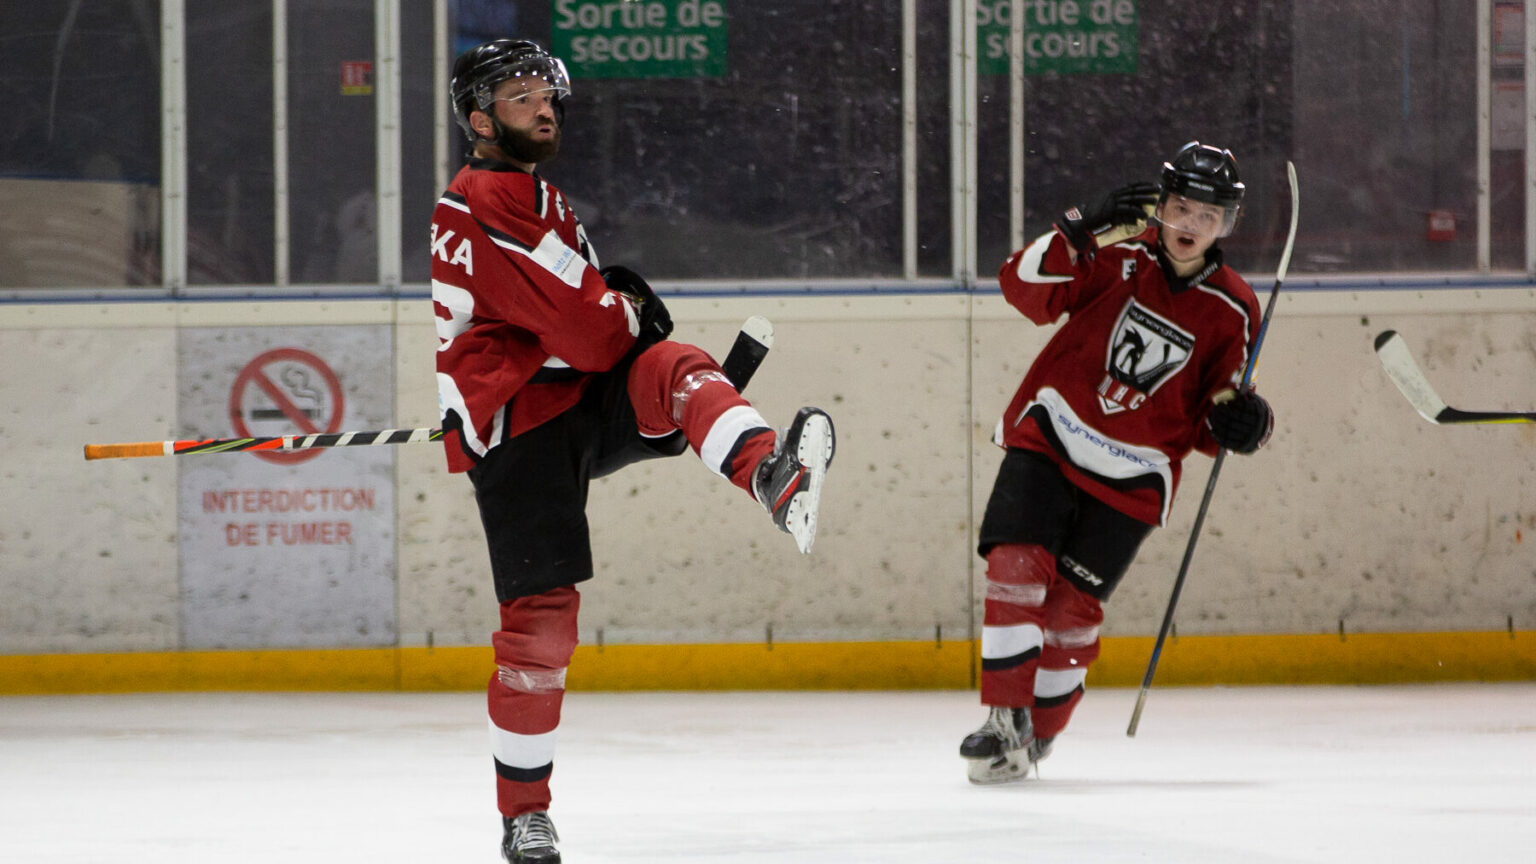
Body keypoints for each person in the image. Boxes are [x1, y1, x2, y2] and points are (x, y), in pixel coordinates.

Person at [431, 39, 836, 862]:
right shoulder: (481, 198)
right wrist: (619, 311)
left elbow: (586, 326)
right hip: (519, 425)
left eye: (549, 93)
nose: (545, 105)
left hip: (573, 397)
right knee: (542, 627)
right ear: (479, 119)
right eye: (520, 95)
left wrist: (621, 320)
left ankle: (771, 472)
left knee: (675, 369)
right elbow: (585, 328)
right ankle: (523, 815)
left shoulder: (537, 194)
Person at [959, 141, 1275, 784]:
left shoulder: (1236, 306)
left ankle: (1039, 732)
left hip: (1134, 477)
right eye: (1181, 206)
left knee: (1070, 615)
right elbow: (1020, 288)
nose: (1189, 224)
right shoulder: (1113, 255)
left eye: (1207, 216)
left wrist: (1248, 425)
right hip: (1049, 435)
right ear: (1160, 205)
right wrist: (1079, 227)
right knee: (1016, 568)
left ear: (1225, 227)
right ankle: (1002, 719)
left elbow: (1219, 415)